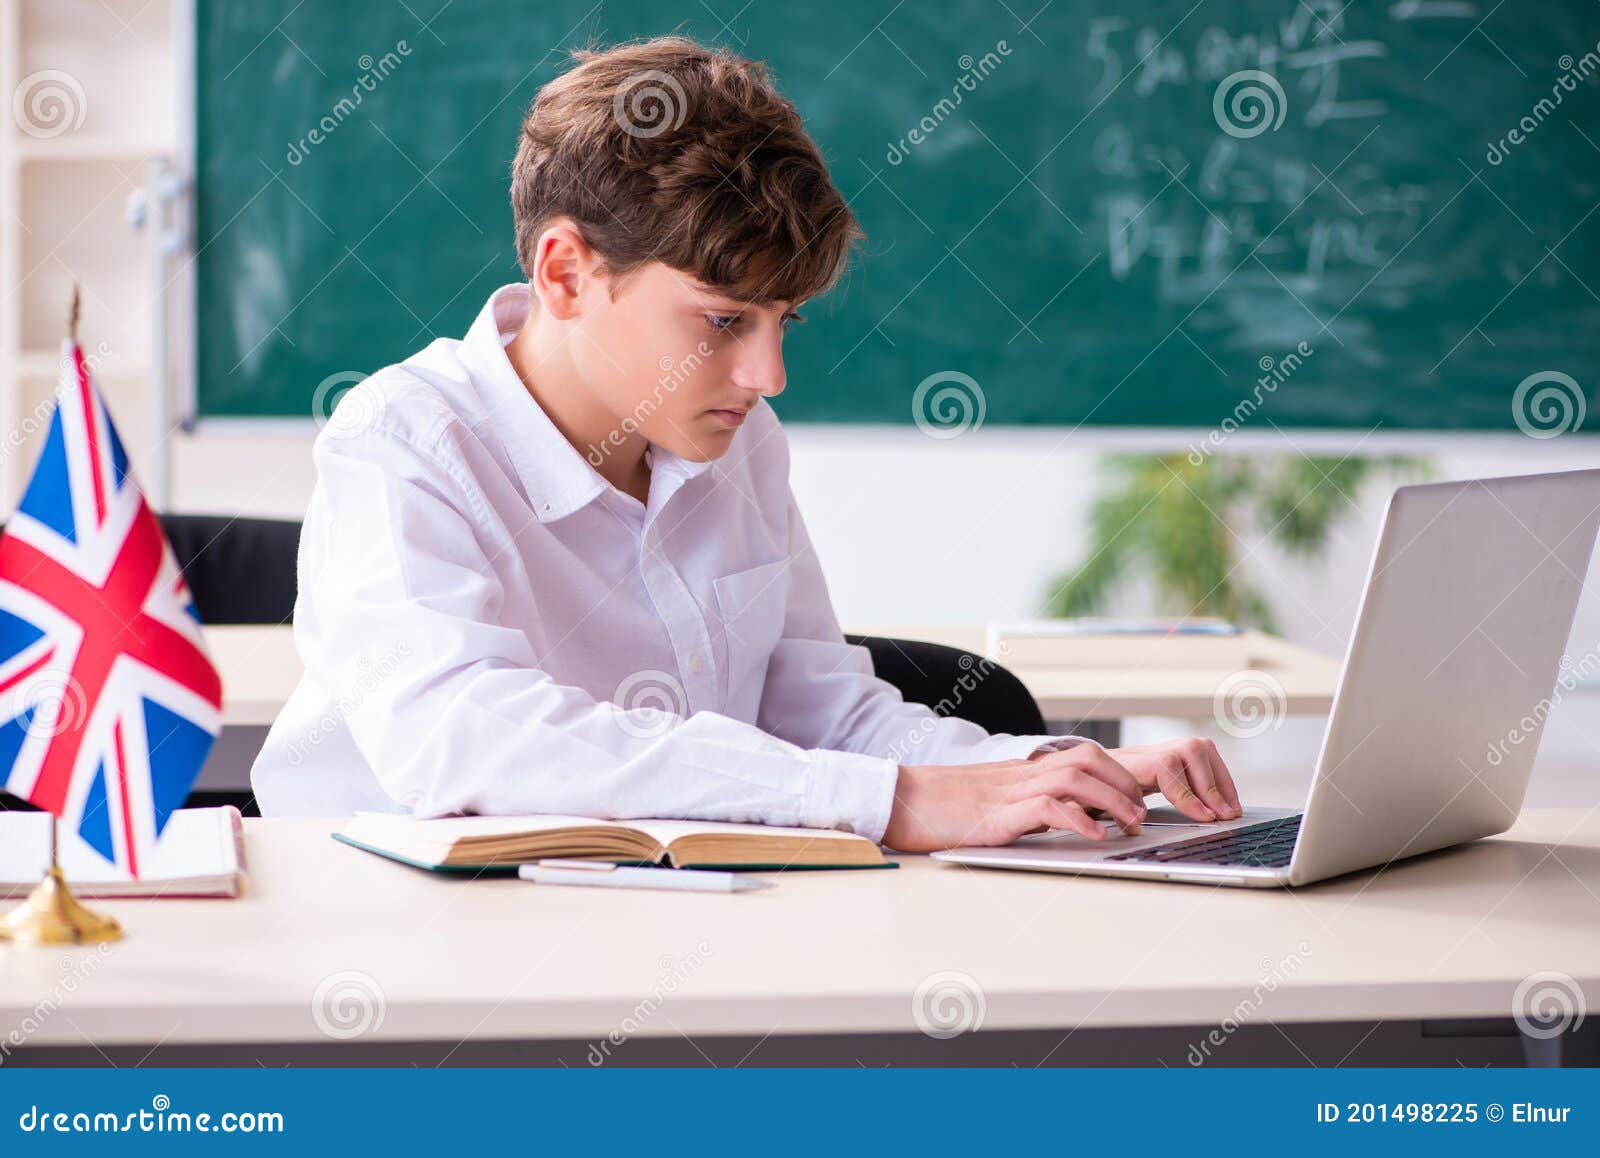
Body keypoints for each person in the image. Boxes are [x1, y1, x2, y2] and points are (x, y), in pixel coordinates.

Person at [251, 36, 1243, 851]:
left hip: (677, 914)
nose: (769, 377)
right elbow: (461, 741)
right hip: (423, 944)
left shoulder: (739, 440)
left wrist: (1033, 775)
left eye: (785, 322)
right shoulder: (404, 440)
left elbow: (821, 711)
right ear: (565, 273)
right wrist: (891, 800)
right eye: (723, 321)